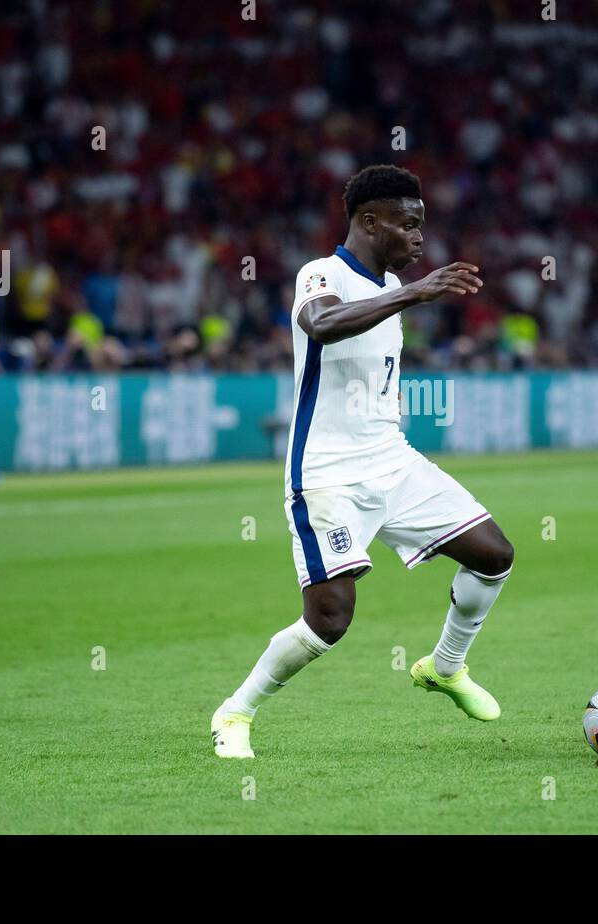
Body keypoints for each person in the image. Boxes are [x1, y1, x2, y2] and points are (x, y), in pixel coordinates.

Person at [211, 165, 515, 758]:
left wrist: (402, 297)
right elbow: (321, 324)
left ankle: (445, 667)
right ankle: (235, 711)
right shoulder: (322, 273)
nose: (419, 237)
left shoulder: (390, 287)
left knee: (494, 555)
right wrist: (412, 292)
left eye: (421, 224)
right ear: (370, 222)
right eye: (409, 224)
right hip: (327, 474)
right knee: (330, 618)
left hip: (392, 461)